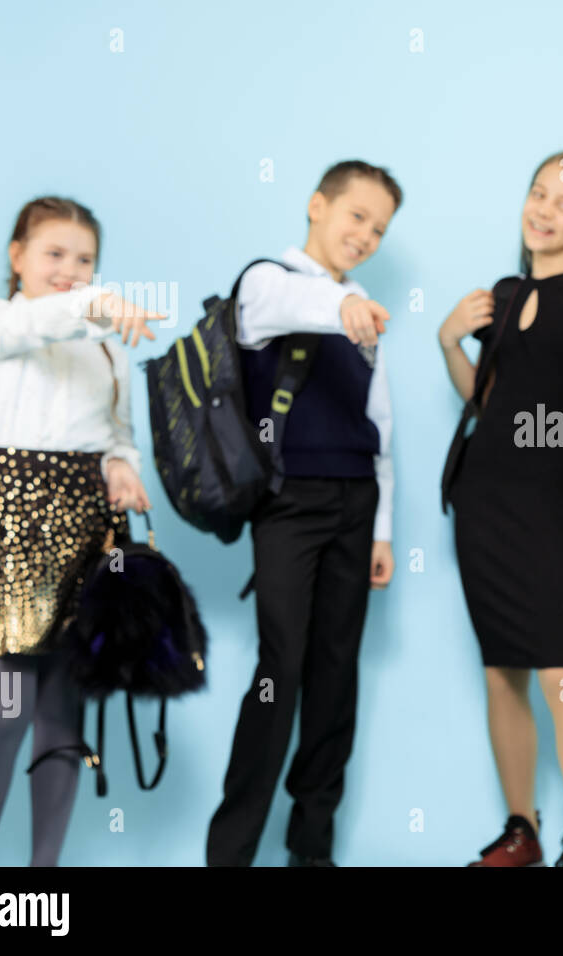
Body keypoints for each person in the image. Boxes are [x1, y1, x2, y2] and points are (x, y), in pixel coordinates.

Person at [0, 196, 160, 865]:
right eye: (55, 253)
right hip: (6, 521)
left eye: (85, 260)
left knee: (64, 714)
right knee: (1, 711)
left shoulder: (106, 344)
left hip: (89, 524)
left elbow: (119, 433)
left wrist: (122, 468)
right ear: (17, 255)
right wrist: (99, 301)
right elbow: (43, 322)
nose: (70, 269)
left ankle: (42, 879)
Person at [439, 149, 563, 867]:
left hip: (550, 507)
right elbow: (488, 402)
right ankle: (520, 830)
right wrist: (446, 340)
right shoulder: (504, 291)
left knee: (562, 671)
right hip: (482, 502)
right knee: (501, 671)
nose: (544, 211)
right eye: (537, 194)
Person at [205, 160, 401, 867]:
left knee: (335, 673)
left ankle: (311, 849)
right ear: (317, 205)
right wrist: (341, 306)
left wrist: (383, 531)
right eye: (356, 216)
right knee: (278, 670)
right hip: (289, 505)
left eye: (379, 228)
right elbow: (284, 305)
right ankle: (230, 853)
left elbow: (381, 424)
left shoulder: (361, 305)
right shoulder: (267, 280)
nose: (366, 235)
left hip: (357, 502)